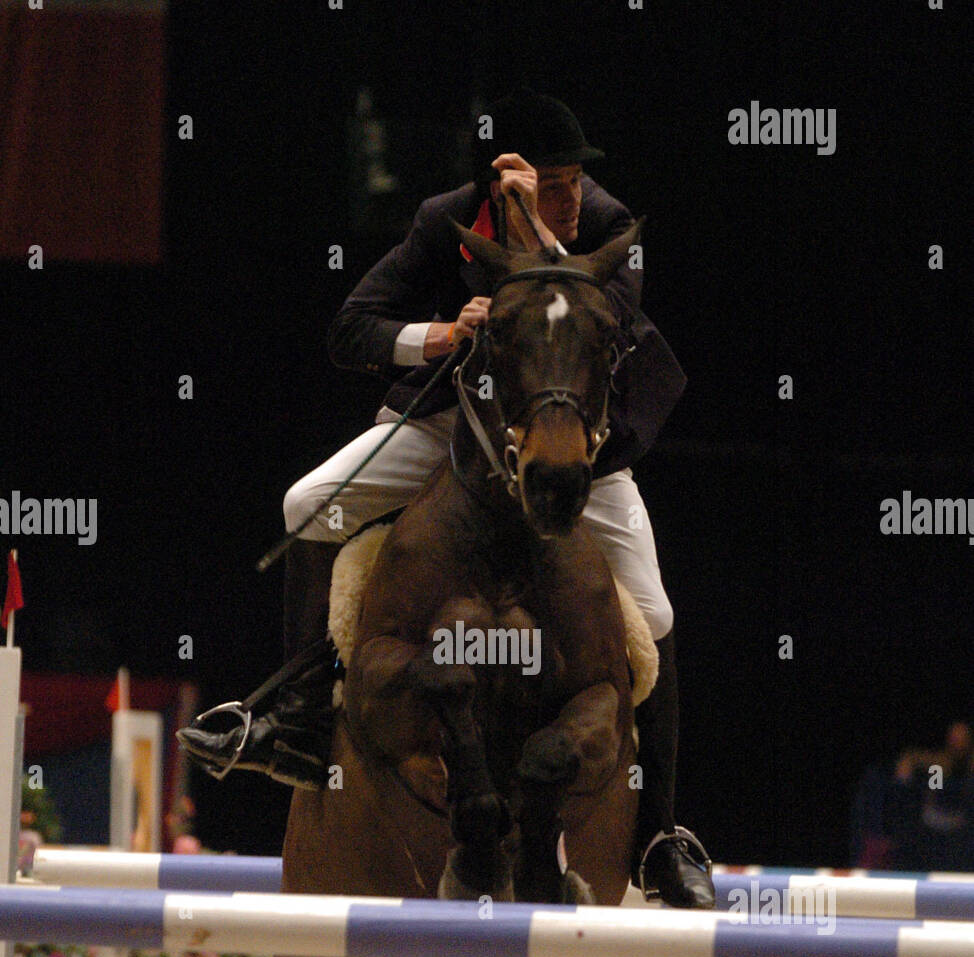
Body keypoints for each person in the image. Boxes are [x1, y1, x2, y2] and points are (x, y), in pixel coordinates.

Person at [178, 87, 715, 909]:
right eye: (555, 184)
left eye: (574, 182)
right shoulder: (445, 219)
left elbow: (597, 314)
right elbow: (350, 327)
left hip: (575, 451)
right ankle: (299, 717)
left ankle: (660, 838)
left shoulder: (609, 228)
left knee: (660, 612)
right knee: (306, 503)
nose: (573, 198)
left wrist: (537, 232)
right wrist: (439, 335)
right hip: (455, 426)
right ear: (504, 176)